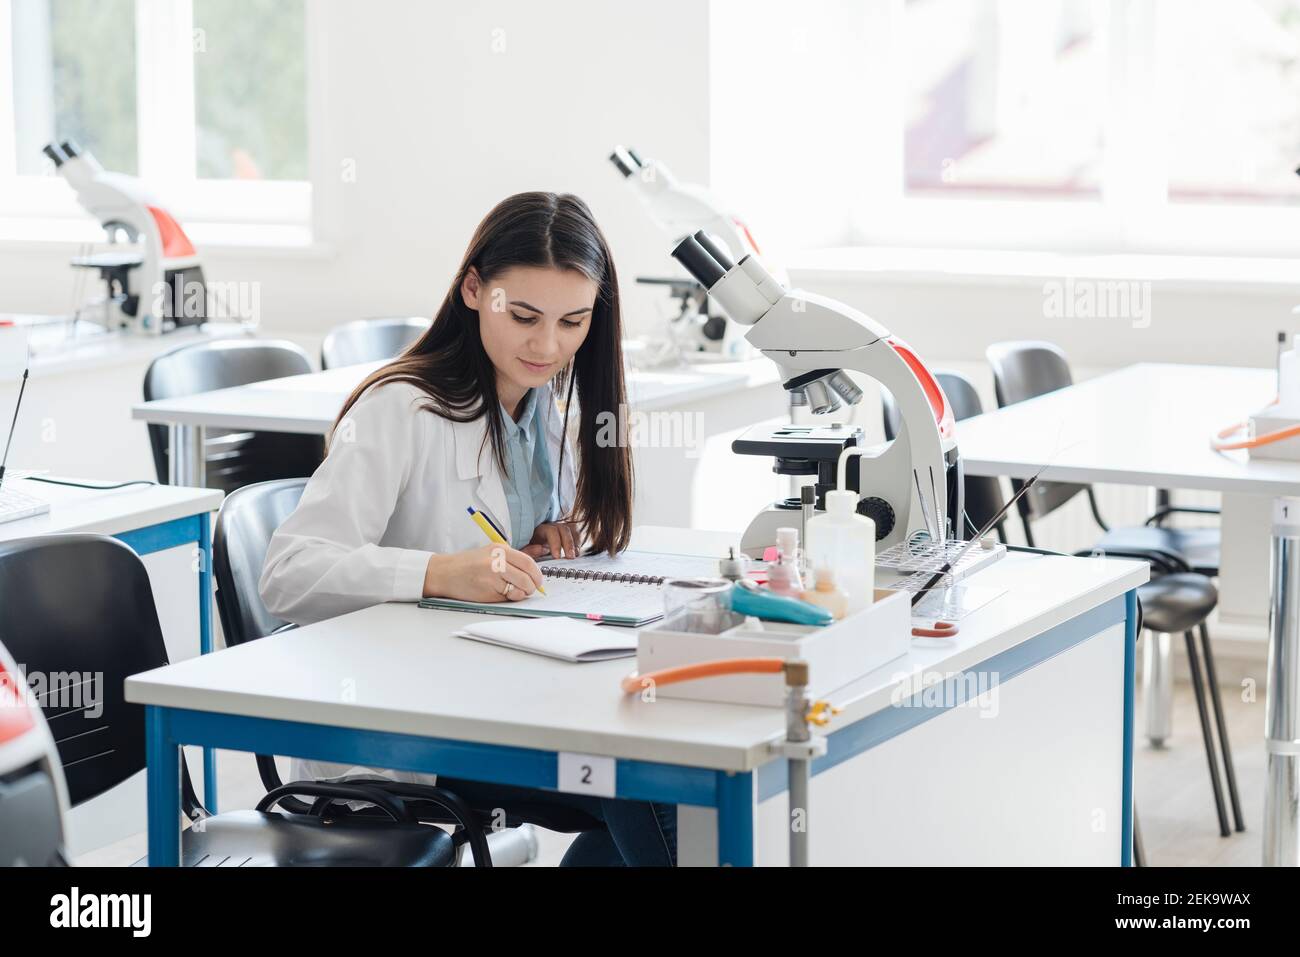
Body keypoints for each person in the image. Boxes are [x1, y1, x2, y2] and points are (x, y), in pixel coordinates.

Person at [259, 191, 673, 866]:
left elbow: (502, 534)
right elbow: (288, 571)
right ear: (475, 288)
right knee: (649, 782)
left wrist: (537, 544)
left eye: (572, 322)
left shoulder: (542, 407)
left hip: (500, 692)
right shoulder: (400, 408)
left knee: (668, 784)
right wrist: (438, 571)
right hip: (410, 726)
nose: (548, 345)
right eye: (526, 316)